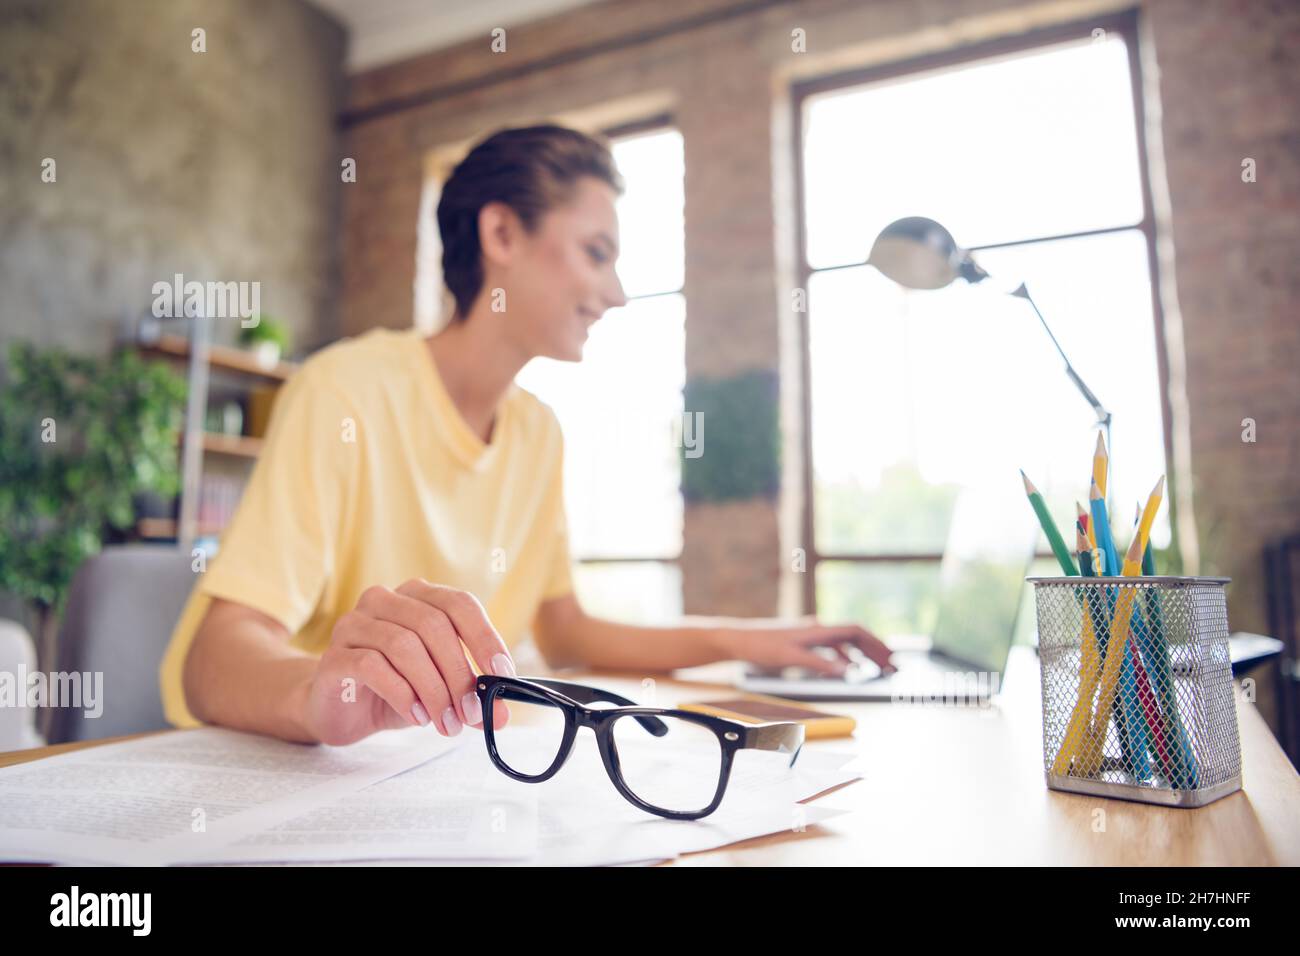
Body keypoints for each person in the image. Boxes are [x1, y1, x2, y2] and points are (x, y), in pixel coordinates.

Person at [159, 124, 892, 747]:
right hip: (311, 776)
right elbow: (213, 658)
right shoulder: (343, 391)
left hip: (446, 777)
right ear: (502, 232)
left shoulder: (538, 432)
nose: (617, 292)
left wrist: (747, 640)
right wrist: (317, 694)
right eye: (596, 253)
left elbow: (567, 629)